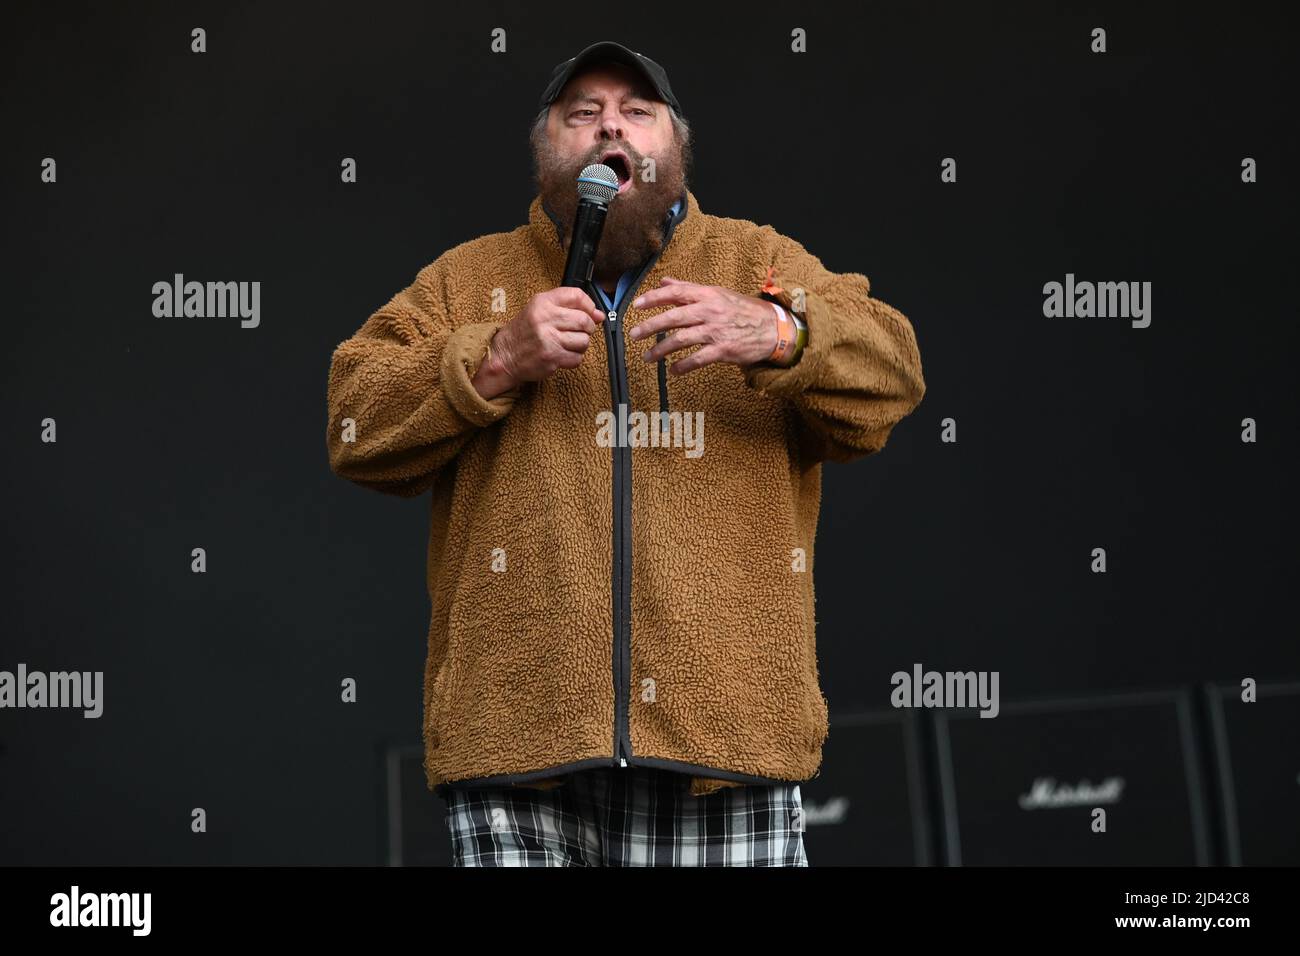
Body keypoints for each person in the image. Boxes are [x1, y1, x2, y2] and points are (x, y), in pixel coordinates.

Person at [325, 41, 927, 866]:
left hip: (725, 752)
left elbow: (894, 373)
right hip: (519, 753)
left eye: (637, 112)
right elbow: (354, 421)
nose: (610, 125)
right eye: (582, 114)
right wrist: (493, 355)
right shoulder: (466, 283)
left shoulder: (759, 263)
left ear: (674, 148)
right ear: (546, 153)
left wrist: (782, 332)